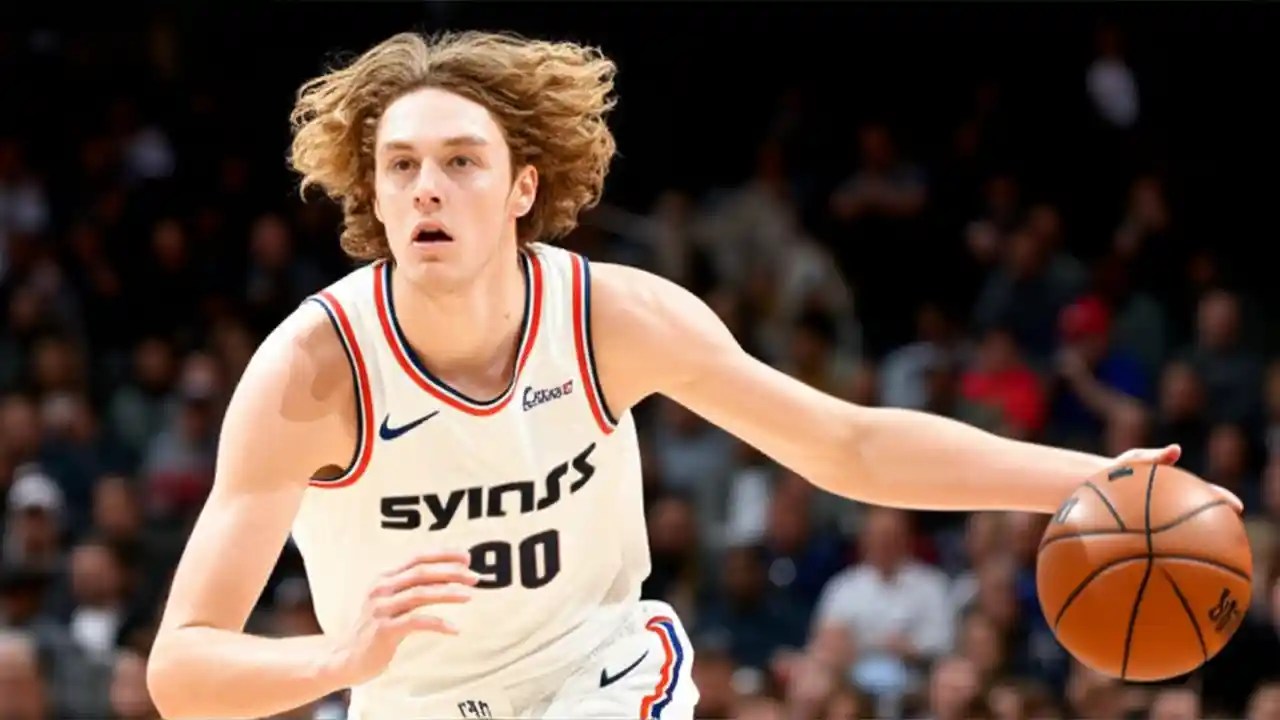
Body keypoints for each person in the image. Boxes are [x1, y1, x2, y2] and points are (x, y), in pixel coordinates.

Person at [145, 31, 1239, 720]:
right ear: (373, 199)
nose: (426, 188)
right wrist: (340, 656)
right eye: (400, 168)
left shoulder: (611, 315)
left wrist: (1088, 478)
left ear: (523, 186)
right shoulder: (309, 371)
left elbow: (846, 445)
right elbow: (180, 672)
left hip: (600, 674)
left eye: (460, 162)